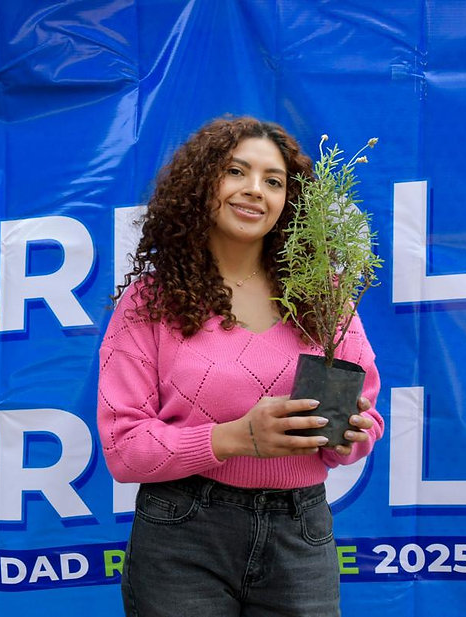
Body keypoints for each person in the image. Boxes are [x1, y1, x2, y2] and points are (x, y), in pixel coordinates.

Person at [97, 116, 383, 617]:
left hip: (301, 532)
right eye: (236, 171)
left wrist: (351, 435)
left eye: (273, 181)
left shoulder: (324, 296)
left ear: (290, 203)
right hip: (183, 533)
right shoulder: (150, 302)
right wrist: (236, 437)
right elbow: (124, 449)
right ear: (201, 184)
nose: (254, 190)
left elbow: (364, 422)